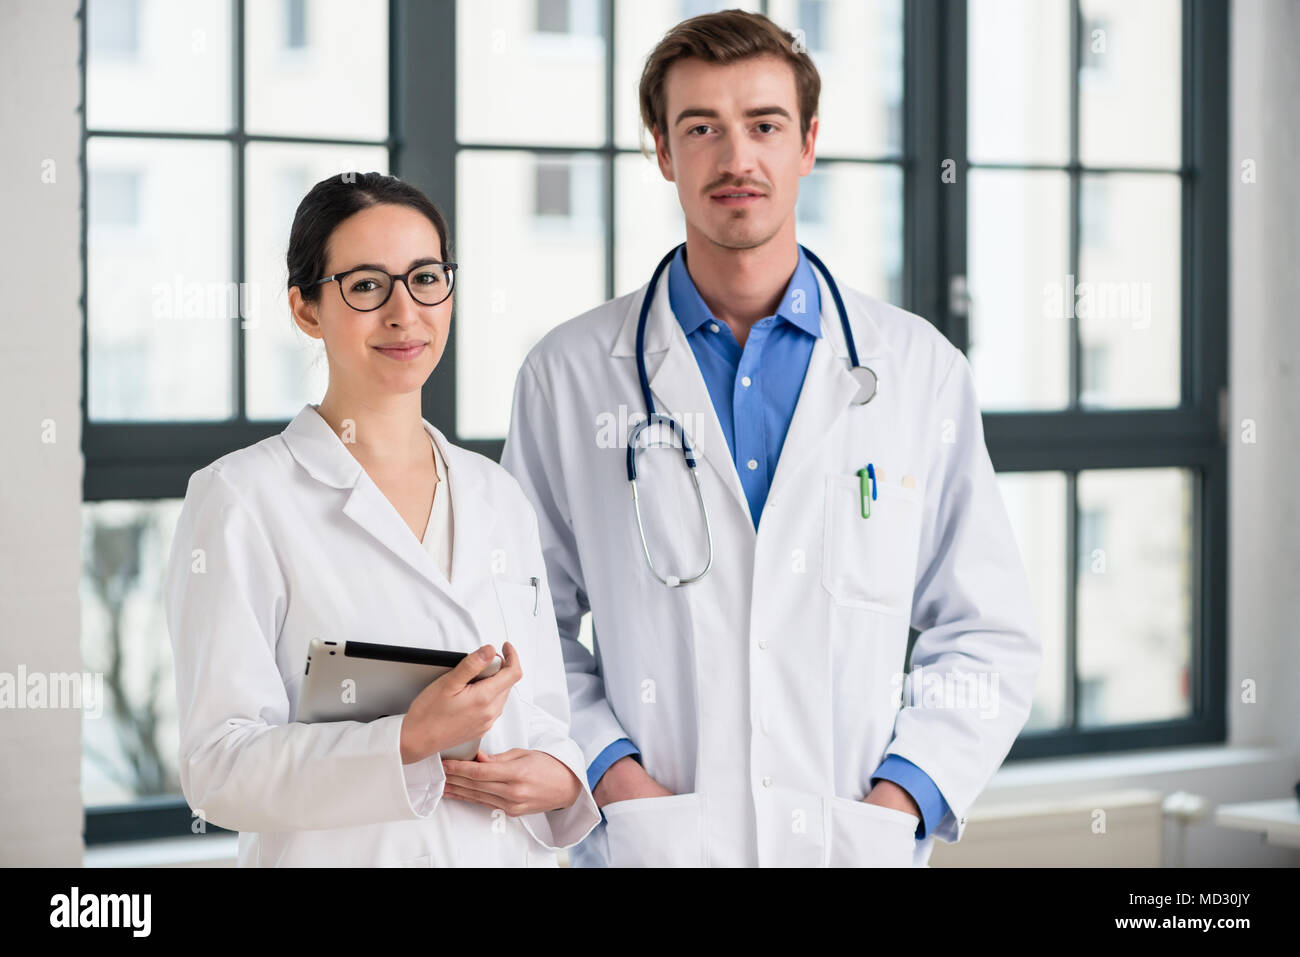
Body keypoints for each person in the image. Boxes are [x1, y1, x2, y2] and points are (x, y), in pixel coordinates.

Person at [500, 10, 1041, 867]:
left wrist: (902, 797)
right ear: (662, 151)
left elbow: (987, 632)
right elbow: (523, 622)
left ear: (808, 143)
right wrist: (615, 780)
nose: (736, 158)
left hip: (848, 843)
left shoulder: (916, 371)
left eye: (764, 125)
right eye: (701, 128)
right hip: (655, 844)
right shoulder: (568, 377)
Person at [164, 172, 600, 866]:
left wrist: (560, 774)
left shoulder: (497, 497)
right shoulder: (243, 499)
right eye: (366, 286)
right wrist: (405, 739)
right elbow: (217, 768)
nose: (405, 312)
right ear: (306, 310)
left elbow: (544, 713)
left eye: (426, 277)